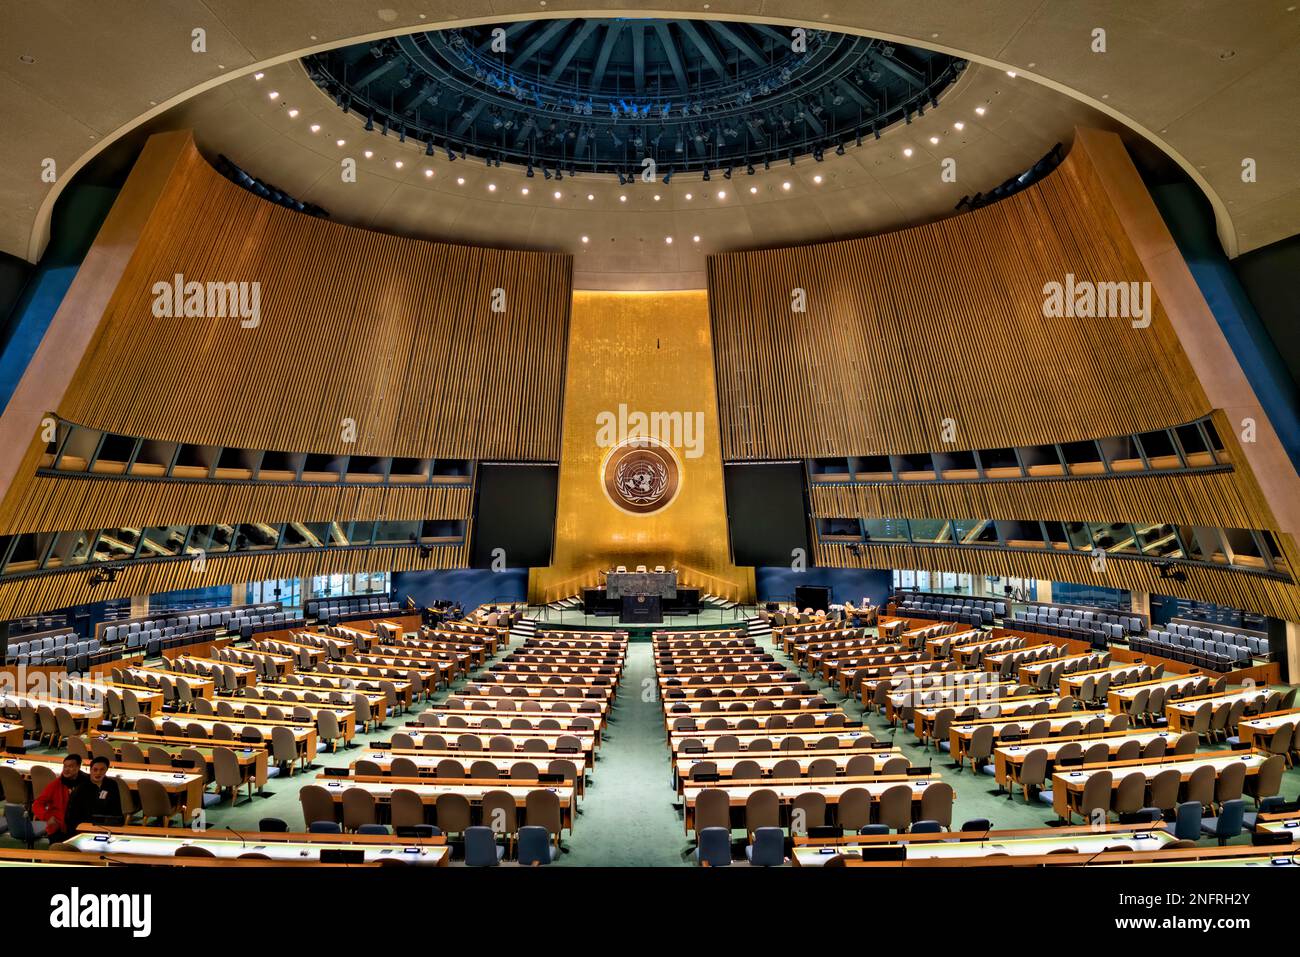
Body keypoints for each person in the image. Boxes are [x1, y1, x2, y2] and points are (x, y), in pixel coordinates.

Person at [31, 754, 89, 843]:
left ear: (78, 767)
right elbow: (37, 804)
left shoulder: (88, 782)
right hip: (60, 829)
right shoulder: (55, 785)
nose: (66, 769)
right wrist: (47, 817)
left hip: (82, 826)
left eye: (70, 766)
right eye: (65, 766)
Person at [66, 755, 125, 833]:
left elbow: (116, 809)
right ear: (90, 770)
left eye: (102, 770)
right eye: (95, 769)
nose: (98, 773)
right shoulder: (81, 787)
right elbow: (73, 814)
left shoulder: (112, 784)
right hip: (85, 825)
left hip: (107, 825)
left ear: (106, 770)